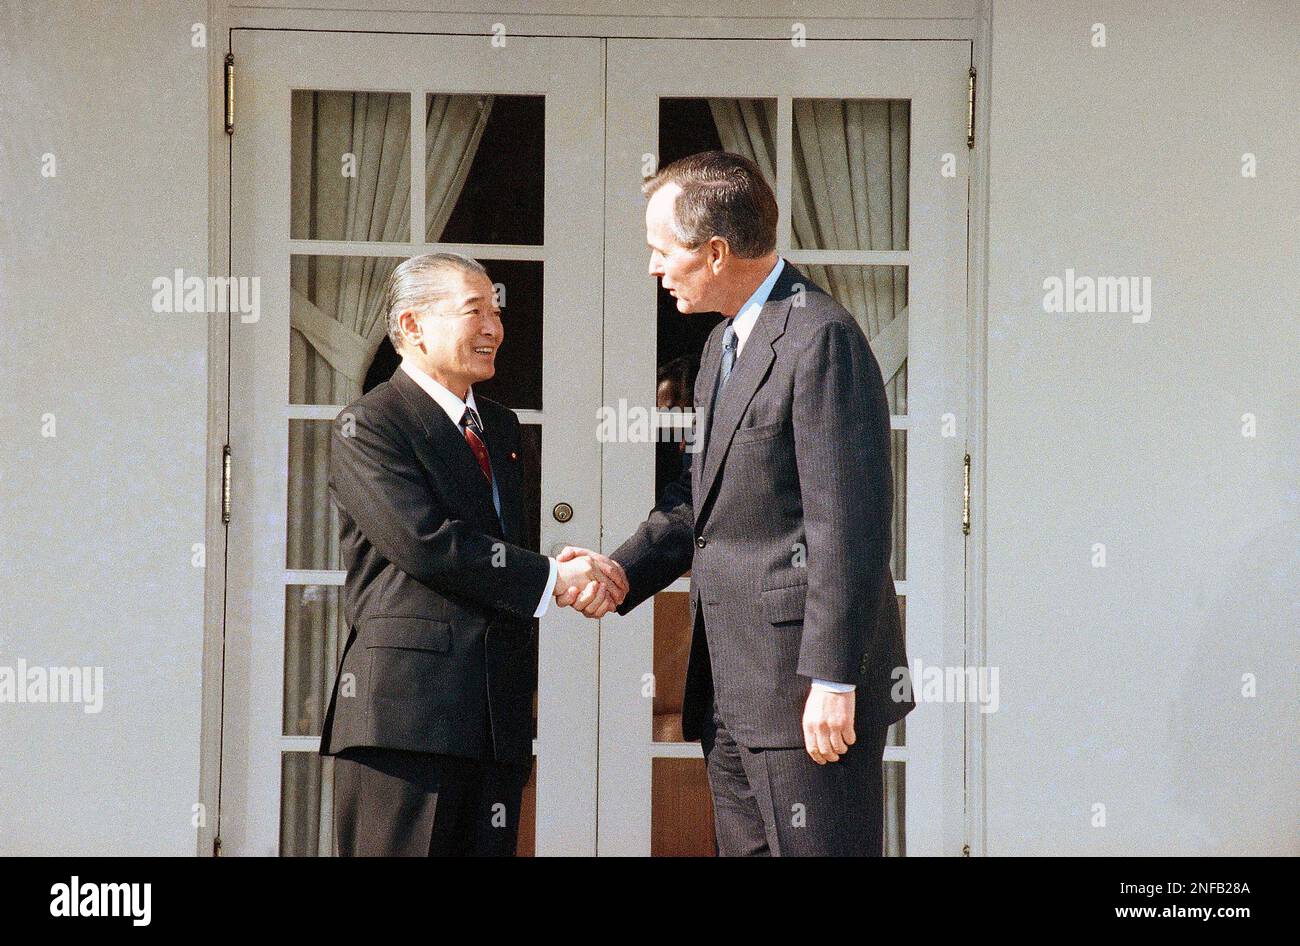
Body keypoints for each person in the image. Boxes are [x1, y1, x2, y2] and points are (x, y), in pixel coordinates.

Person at [564, 151, 915, 856]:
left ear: (716, 251)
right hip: (730, 695)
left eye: (662, 251)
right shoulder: (724, 344)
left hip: (803, 697)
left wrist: (835, 679)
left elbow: (849, 527)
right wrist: (623, 569)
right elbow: (702, 501)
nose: (654, 268)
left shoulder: (820, 339)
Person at [319, 252, 625, 856]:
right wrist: (553, 578)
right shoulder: (371, 425)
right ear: (411, 326)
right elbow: (427, 543)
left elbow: (494, 550)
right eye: (473, 312)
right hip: (407, 721)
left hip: (492, 717)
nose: (493, 328)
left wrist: (558, 568)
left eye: (496, 311)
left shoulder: (500, 428)